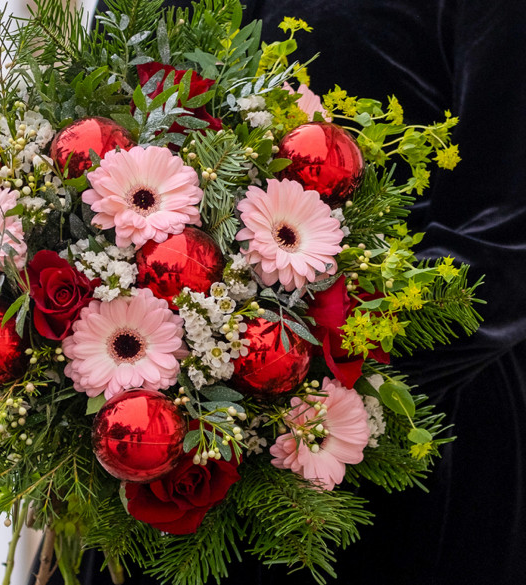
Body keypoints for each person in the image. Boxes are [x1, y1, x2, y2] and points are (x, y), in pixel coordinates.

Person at [34, 1, 526, 583]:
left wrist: (284, 378)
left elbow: (503, 248)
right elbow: (85, 151)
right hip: (144, 458)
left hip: (386, 461)